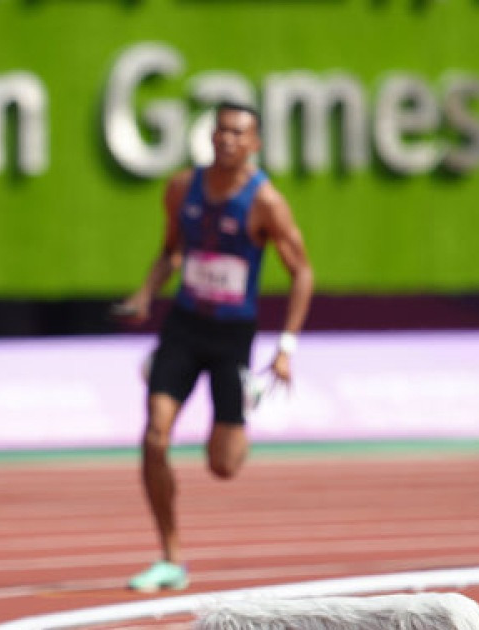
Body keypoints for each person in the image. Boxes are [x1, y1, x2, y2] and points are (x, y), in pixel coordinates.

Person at [113, 101, 314, 592]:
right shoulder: (183, 187)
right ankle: (171, 558)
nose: (226, 139)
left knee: (223, 466)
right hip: (184, 326)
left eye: (237, 133)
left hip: (232, 336)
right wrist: (144, 295)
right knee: (155, 437)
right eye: (220, 130)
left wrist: (285, 348)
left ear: (255, 143)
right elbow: (171, 252)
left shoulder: (266, 202)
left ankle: (246, 393)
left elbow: (302, 272)